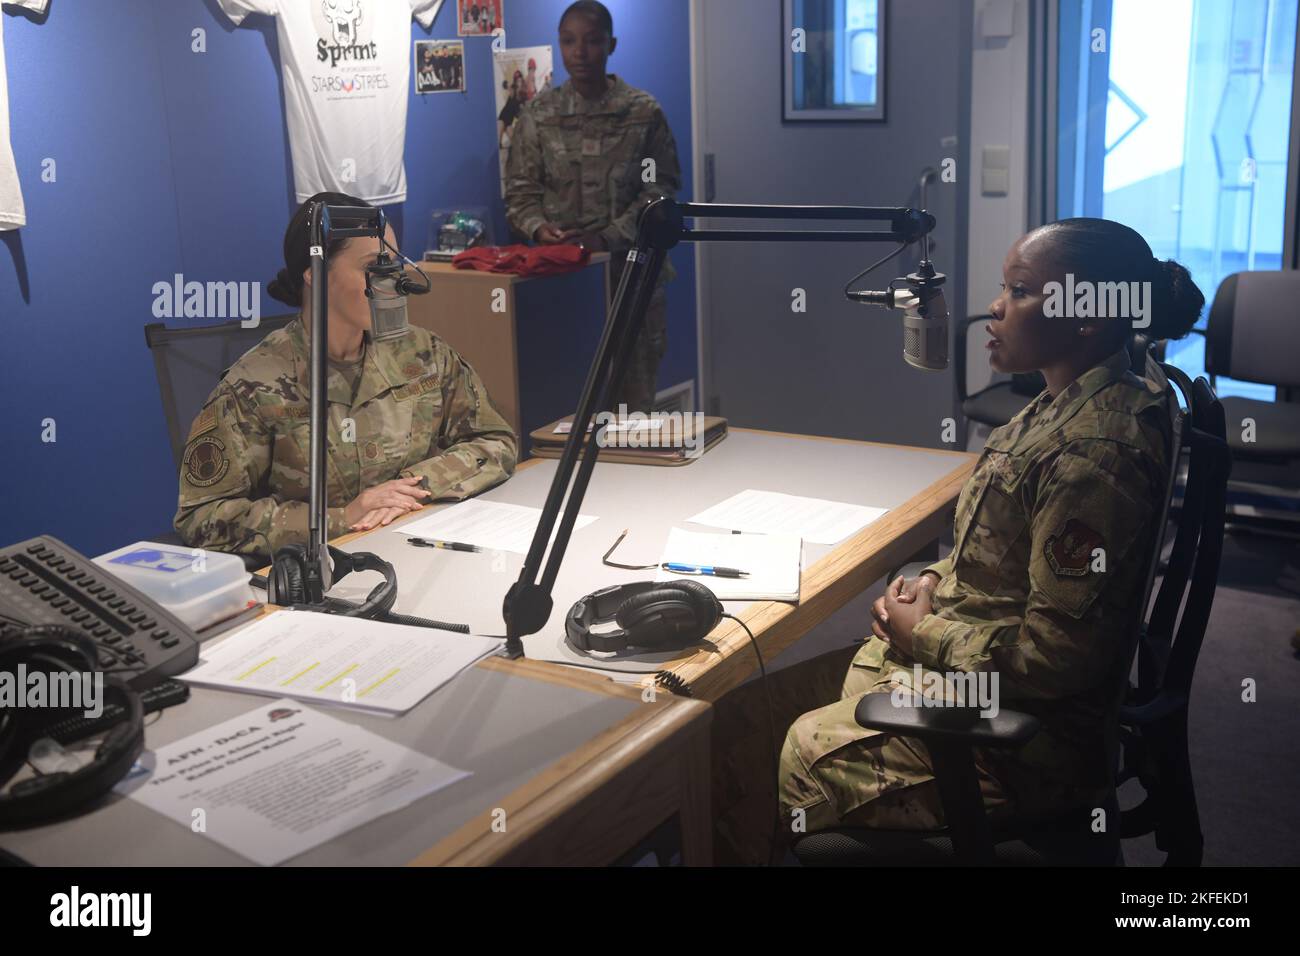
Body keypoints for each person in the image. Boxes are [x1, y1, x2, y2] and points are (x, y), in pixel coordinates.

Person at [778, 218, 1206, 835]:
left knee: (799, 751)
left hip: (1024, 748)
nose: (995, 307)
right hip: (973, 671)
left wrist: (924, 633)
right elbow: (998, 549)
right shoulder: (1064, 401)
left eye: (1021, 291)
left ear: (1086, 317)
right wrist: (930, 577)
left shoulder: (1092, 456)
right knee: (747, 714)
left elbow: (1056, 659)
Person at [174, 192, 518, 564]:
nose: (392, 282)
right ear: (315, 274)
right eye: (373, 266)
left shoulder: (421, 353)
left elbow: (495, 440)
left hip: (411, 549)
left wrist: (414, 487)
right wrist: (342, 517)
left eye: (394, 265)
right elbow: (202, 517)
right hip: (317, 577)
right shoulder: (253, 387)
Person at [505, 0, 681, 414]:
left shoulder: (642, 113)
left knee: (633, 413)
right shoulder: (539, 115)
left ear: (611, 45)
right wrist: (540, 230)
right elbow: (520, 195)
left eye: (592, 41)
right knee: (565, 406)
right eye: (568, 42)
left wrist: (606, 237)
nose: (579, 53)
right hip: (564, 286)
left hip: (633, 279)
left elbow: (661, 192)